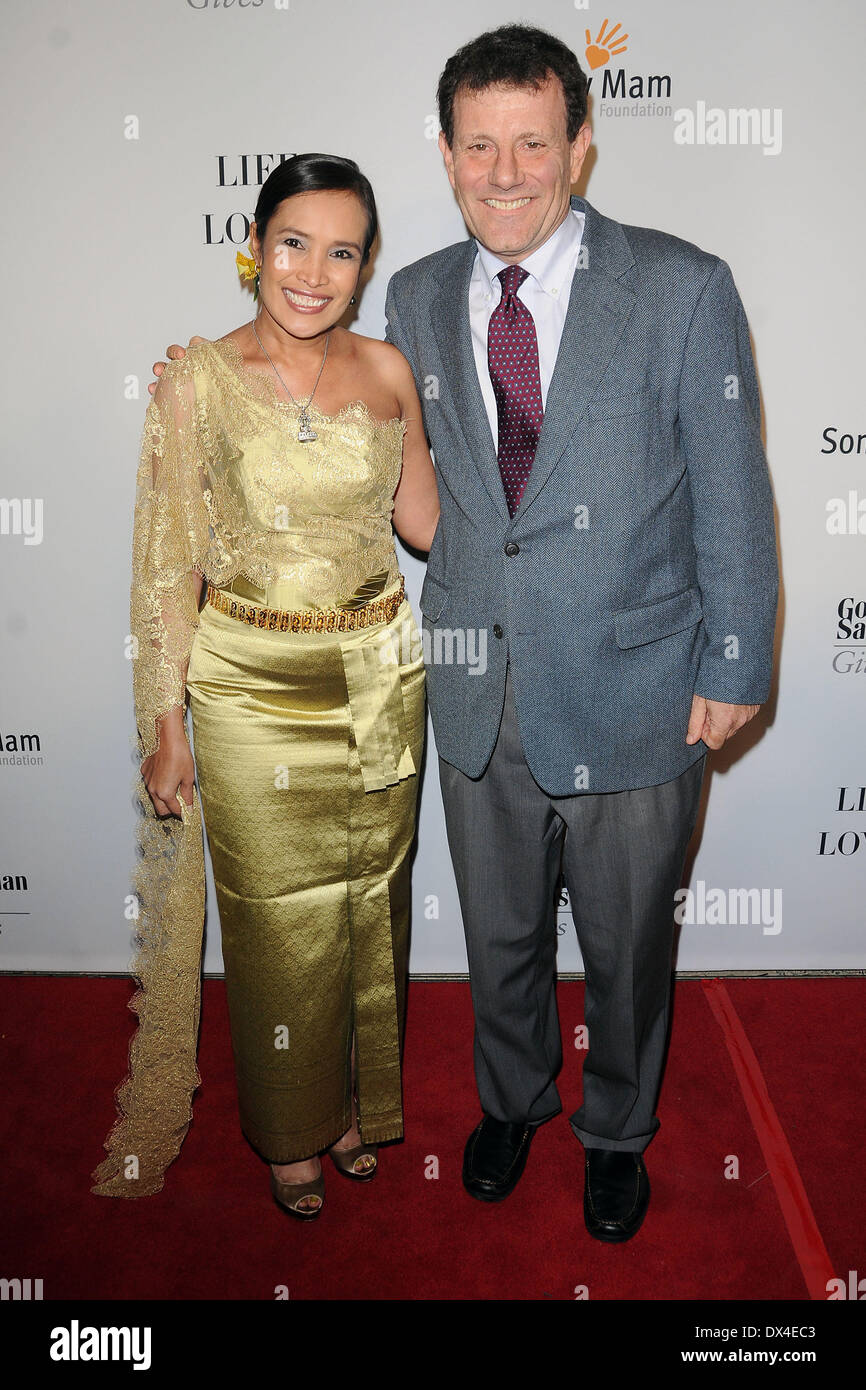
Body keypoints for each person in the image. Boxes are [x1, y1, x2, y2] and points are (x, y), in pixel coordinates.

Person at [152, 23, 778, 1244]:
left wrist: (734, 662)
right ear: (443, 154)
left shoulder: (682, 284)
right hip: (467, 676)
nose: (503, 172)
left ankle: (614, 1132)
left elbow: (732, 490)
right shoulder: (418, 294)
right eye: (476, 145)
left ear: (578, 147)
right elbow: (400, 481)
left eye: (530, 143)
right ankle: (510, 1104)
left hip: (638, 683)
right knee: (497, 935)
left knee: (626, 946)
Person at [91, 153, 440, 1218]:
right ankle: (288, 1134)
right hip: (247, 683)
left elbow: (430, 525)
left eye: (342, 251)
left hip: (380, 672)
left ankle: (346, 1107)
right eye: (294, 241)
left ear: (365, 264)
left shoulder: (387, 370)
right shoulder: (195, 378)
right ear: (254, 243)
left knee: (368, 906)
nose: (313, 271)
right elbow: (166, 562)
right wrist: (166, 722)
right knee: (274, 919)